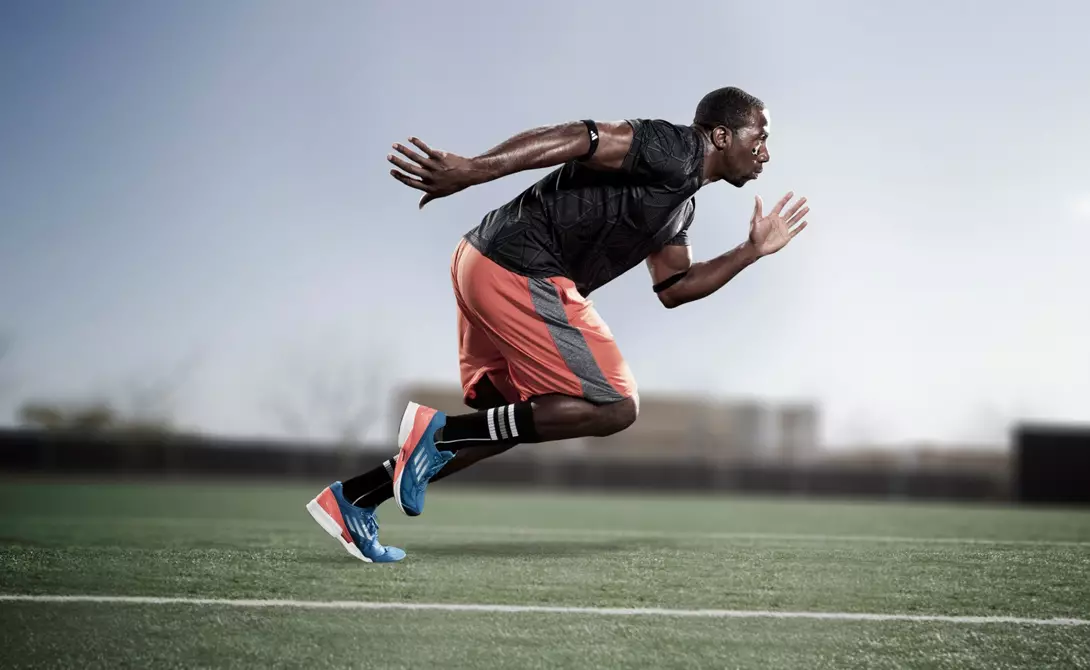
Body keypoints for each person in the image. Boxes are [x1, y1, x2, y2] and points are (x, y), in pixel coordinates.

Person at [306, 86, 809, 563]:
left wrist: (751, 251)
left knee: (509, 422)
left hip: (482, 260)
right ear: (722, 136)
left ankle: (355, 499)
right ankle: (435, 436)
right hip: (519, 265)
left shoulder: (682, 202)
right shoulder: (674, 147)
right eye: (759, 138)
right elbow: (578, 136)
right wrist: (473, 171)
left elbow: (675, 287)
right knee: (615, 405)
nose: (764, 153)